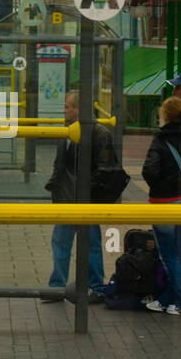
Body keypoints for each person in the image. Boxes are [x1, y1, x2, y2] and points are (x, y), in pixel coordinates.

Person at [43, 91, 120, 302]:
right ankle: (58, 287)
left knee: (89, 244)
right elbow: (60, 163)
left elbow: (106, 168)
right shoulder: (68, 130)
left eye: (68, 106)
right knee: (62, 242)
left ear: (78, 109)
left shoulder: (98, 133)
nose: (64, 109)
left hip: (85, 201)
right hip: (66, 198)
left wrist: (90, 194)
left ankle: (95, 287)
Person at [141, 96, 181, 315]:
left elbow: (149, 171)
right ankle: (169, 300)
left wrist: (160, 186)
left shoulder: (160, 139)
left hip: (164, 202)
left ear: (165, 116)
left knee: (168, 255)